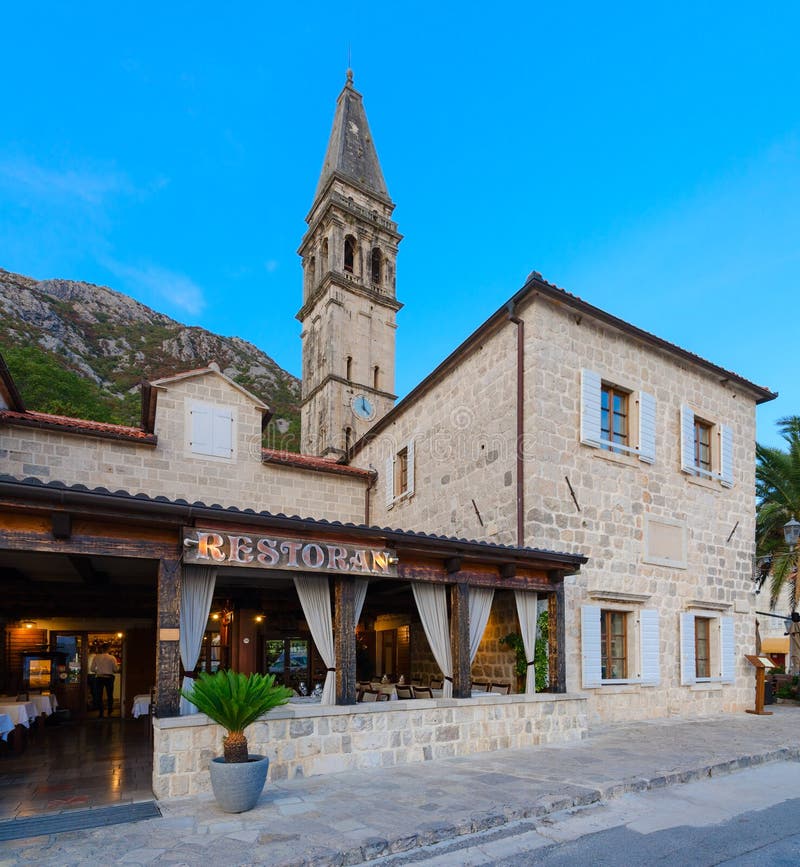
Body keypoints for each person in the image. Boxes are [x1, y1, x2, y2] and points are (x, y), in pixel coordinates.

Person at [91, 644, 118, 717]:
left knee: (99, 695)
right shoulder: (112, 658)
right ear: (108, 649)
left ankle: (101, 711)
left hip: (99, 677)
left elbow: (92, 669)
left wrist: (99, 670)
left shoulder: (96, 657)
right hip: (109, 677)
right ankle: (110, 709)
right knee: (110, 694)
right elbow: (115, 669)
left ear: (102, 649)